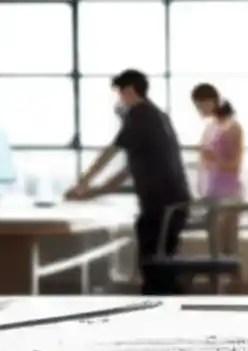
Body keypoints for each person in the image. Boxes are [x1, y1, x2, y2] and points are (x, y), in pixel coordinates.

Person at [65, 69, 192, 295]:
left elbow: (111, 151)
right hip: (172, 203)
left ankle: (164, 307)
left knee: (155, 267)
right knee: (159, 265)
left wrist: (83, 183)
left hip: (162, 205)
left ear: (130, 90)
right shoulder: (157, 116)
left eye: (120, 92)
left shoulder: (139, 114)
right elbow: (129, 170)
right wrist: (91, 192)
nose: (119, 99)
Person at [191, 83, 244, 257]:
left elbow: (235, 165)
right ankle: (221, 274)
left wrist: (214, 159)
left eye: (200, 105)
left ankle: (230, 274)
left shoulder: (233, 128)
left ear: (211, 101)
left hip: (228, 194)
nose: (198, 110)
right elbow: (204, 162)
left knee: (227, 245)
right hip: (212, 194)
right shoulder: (210, 128)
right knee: (217, 246)